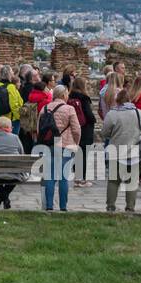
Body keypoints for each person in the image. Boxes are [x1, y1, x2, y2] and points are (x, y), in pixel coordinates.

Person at [100, 89, 141, 213]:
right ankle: (130, 207)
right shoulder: (139, 113)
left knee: (113, 181)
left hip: (116, 152)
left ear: (117, 100)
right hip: (135, 152)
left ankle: (110, 206)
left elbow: (104, 133)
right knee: (132, 182)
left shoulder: (112, 114)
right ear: (129, 99)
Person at [38, 84, 80, 212]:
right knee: (63, 177)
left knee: (50, 176)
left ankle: (49, 205)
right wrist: (76, 143)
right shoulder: (69, 109)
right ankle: (63, 206)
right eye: (67, 93)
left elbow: (39, 129)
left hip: (49, 145)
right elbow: (76, 129)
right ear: (63, 95)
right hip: (66, 146)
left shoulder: (44, 108)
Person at [68, 77, 96, 186]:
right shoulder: (84, 98)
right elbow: (88, 114)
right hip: (85, 128)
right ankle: (81, 179)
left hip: (74, 127)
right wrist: (94, 119)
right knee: (84, 153)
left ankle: (77, 177)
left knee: (77, 153)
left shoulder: (70, 96)